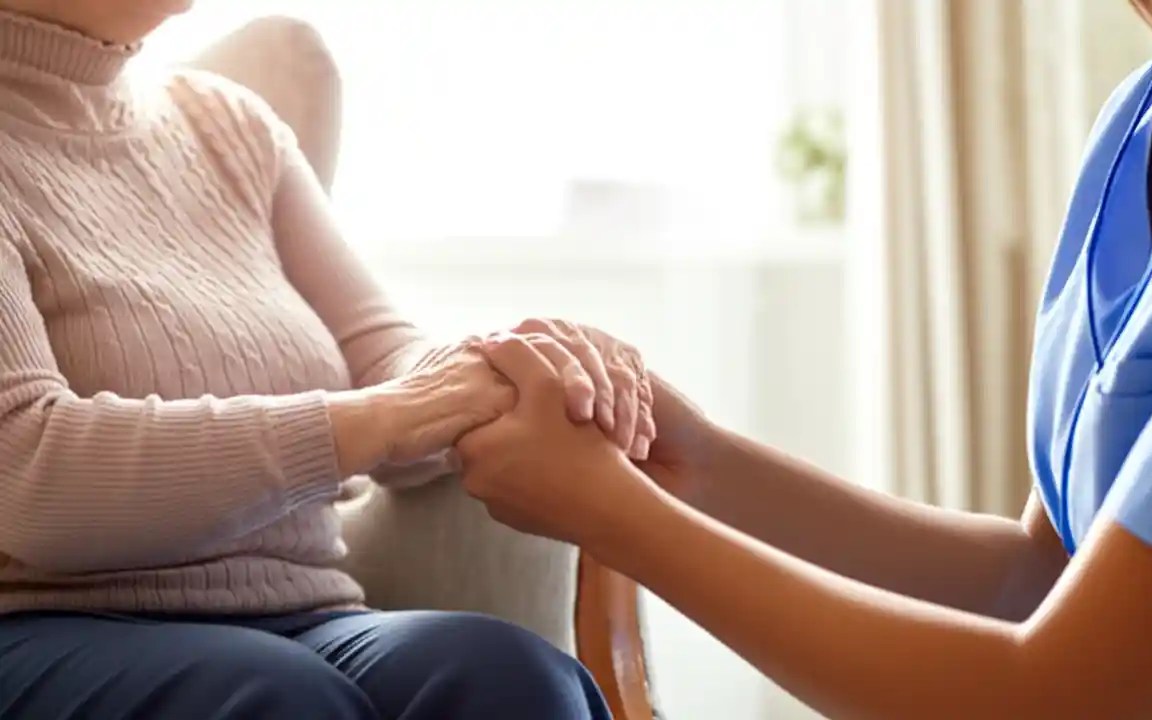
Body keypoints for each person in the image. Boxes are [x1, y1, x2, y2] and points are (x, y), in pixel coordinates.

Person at [457, 2, 1152, 718]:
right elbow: (1045, 576)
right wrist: (697, 468)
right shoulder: (1147, 116)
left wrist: (614, 515)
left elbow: (1068, 697)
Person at [0, 1, 658, 718]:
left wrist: (513, 372)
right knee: (277, 697)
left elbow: (386, 359)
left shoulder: (230, 125)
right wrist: (378, 420)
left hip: (304, 620)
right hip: (40, 625)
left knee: (512, 677)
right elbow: (27, 472)